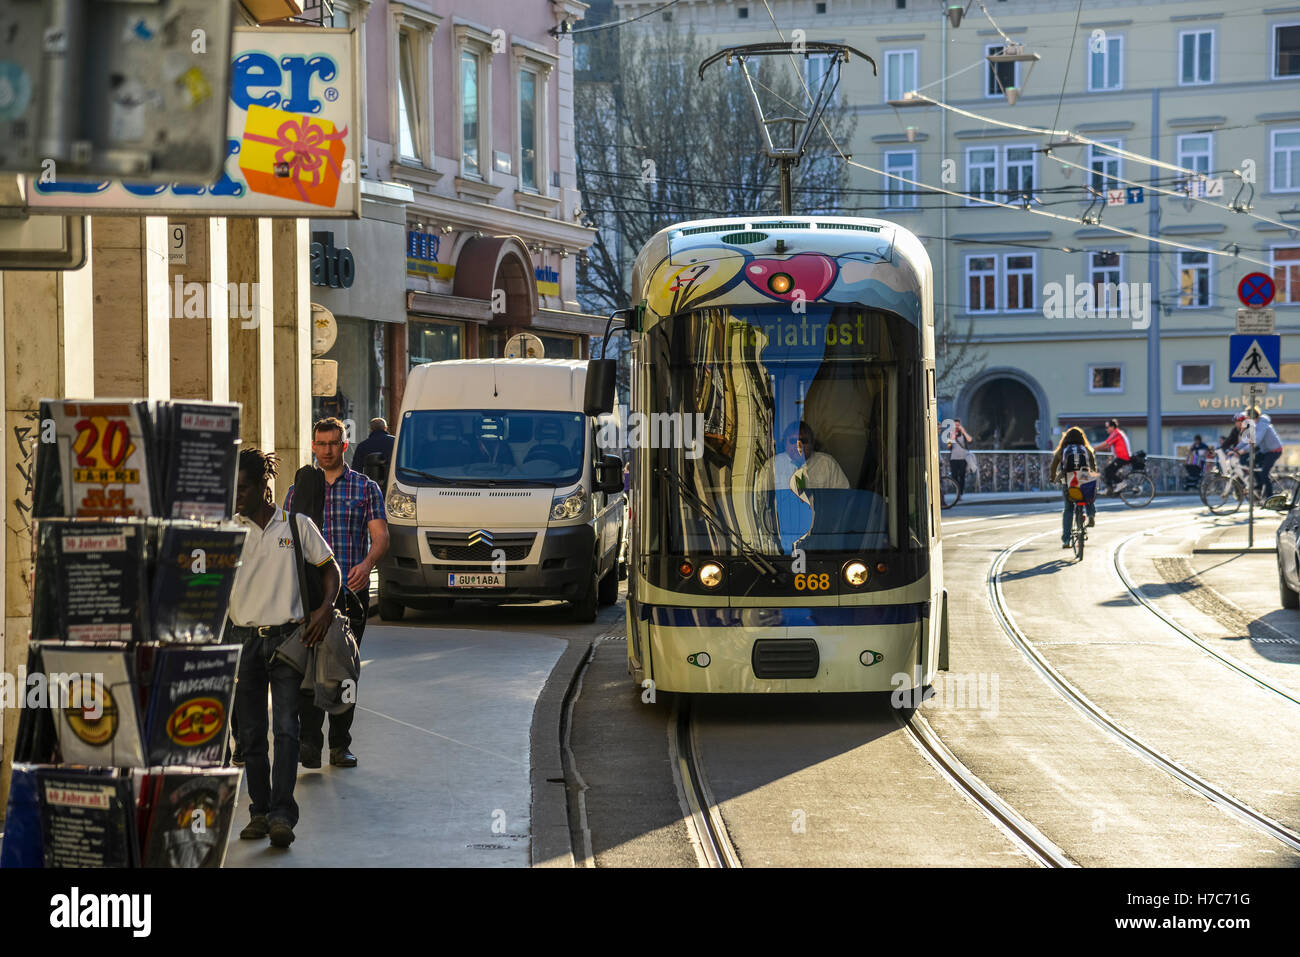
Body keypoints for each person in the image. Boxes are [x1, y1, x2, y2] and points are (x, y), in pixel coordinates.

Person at [229, 449, 339, 848]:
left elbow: (331, 569)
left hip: (288, 641)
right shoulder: (227, 530)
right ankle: (259, 812)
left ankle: (281, 814)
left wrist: (325, 610)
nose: (236, 495)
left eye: (243, 488)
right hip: (242, 641)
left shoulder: (296, 525)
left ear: (264, 486)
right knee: (253, 735)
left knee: (287, 729)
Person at [285, 417, 389, 769]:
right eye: (321, 444)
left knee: (343, 671)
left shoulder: (365, 488)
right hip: (307, 596)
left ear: (345, 446)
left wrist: (367, 564)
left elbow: (381, 537)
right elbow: (287, 542)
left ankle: (340, 744)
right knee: (307, 671)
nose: (327, 450)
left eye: (334, 443)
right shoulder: (299, 488)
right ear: (313, 446)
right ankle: (309, 743)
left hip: (349, 596)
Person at [1050, 427, 1098, 548]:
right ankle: (1091, 514)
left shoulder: (1062, 450)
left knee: (1069, 508)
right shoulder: (1086, 449)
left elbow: (1053, 467)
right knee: (1088, 494)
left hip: (1069, 482)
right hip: (1083, 480)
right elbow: (1093, 467)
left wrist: (1053, 478)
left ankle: (1066, 540)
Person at [1245, 407, 1285, 499]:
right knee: (1250, 462)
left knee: (1264, 473)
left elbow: (1256, 440)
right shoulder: (1254, 424)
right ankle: (1260, 484)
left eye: (1247, 416)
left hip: (1274, 451)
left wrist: (1243, 450)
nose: (1245, 418)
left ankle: (1270, 497)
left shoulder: (1262, 425)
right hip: (1265, 451)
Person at [1095, 418, 1131, 495]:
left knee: (1107, 471)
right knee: (1110, 471)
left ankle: (1118, 485)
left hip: (1122, 457)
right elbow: (1107, 446)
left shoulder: (1116, 433)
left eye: (1107, 427)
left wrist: (1093, 449)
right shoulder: (1118, 432)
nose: (1106, 429)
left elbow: (1106, 443)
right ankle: (1112, 489)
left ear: (1112, 427)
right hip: (1122, 457)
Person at [947, 419, 974, 494]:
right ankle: (957, 491)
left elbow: (970, 441)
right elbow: (948, 446)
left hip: (963, 458)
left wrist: (964, 432)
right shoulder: (950, 433)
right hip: (954, 458)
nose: (956, 427)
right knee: (954, 476)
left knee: (962, 476)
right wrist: (952, 437)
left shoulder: (963, 433)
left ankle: (960, 493)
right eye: (955, 425)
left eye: (958, 425)